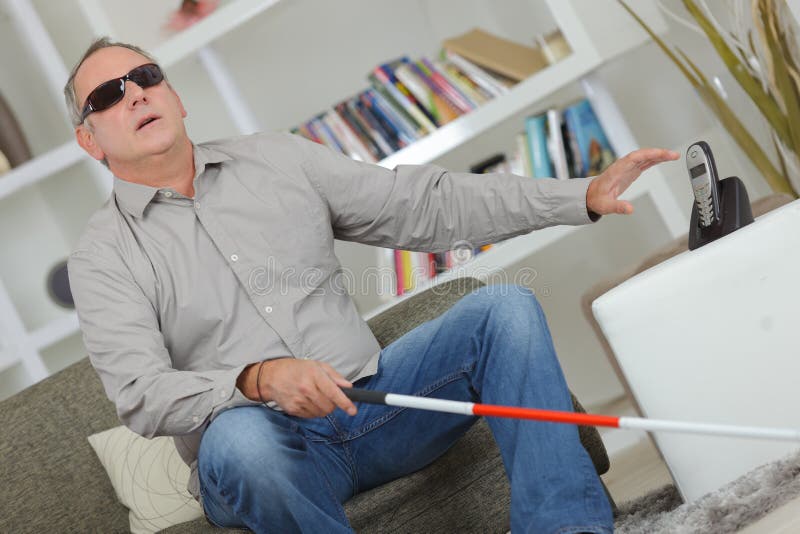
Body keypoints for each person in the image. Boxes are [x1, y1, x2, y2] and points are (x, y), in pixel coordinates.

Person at [65, 36, 679, 534]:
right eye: (108, 95)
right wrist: (255, 379)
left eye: (146, 77)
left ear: (174, 95)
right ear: (89, 140)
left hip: (376, 407)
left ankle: (567, 531)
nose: (136, 95)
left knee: (504, 309)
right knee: (243, 440)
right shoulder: (102, 257)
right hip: (268, 454)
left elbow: (421, 203)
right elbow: (141, 394)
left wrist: (580, 196)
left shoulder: (277, 160)